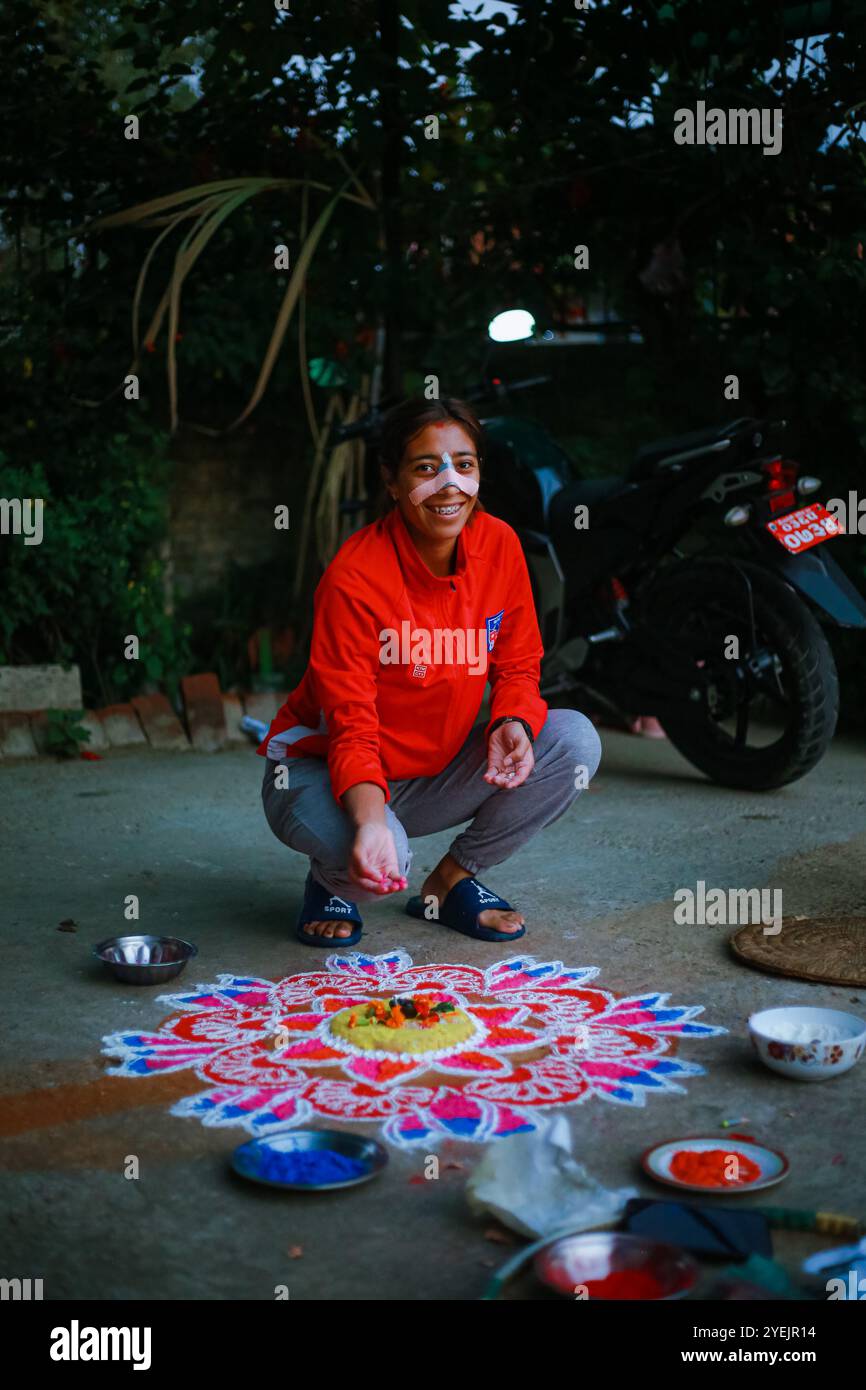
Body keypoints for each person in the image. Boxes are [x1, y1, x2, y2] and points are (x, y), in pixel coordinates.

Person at [259, 396, 601, 946]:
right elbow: (348, 719)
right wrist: (370, 822)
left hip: (424, 775)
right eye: (426, 467)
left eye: (464, 464)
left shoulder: (501, 545)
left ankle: (449, 884)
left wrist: (512, 720)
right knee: (379, 874)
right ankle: (331, 882)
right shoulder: (354, 577)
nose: (450, 484)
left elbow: (518, 662)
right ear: (392, 482)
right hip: (316, 774)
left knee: (574, 742)